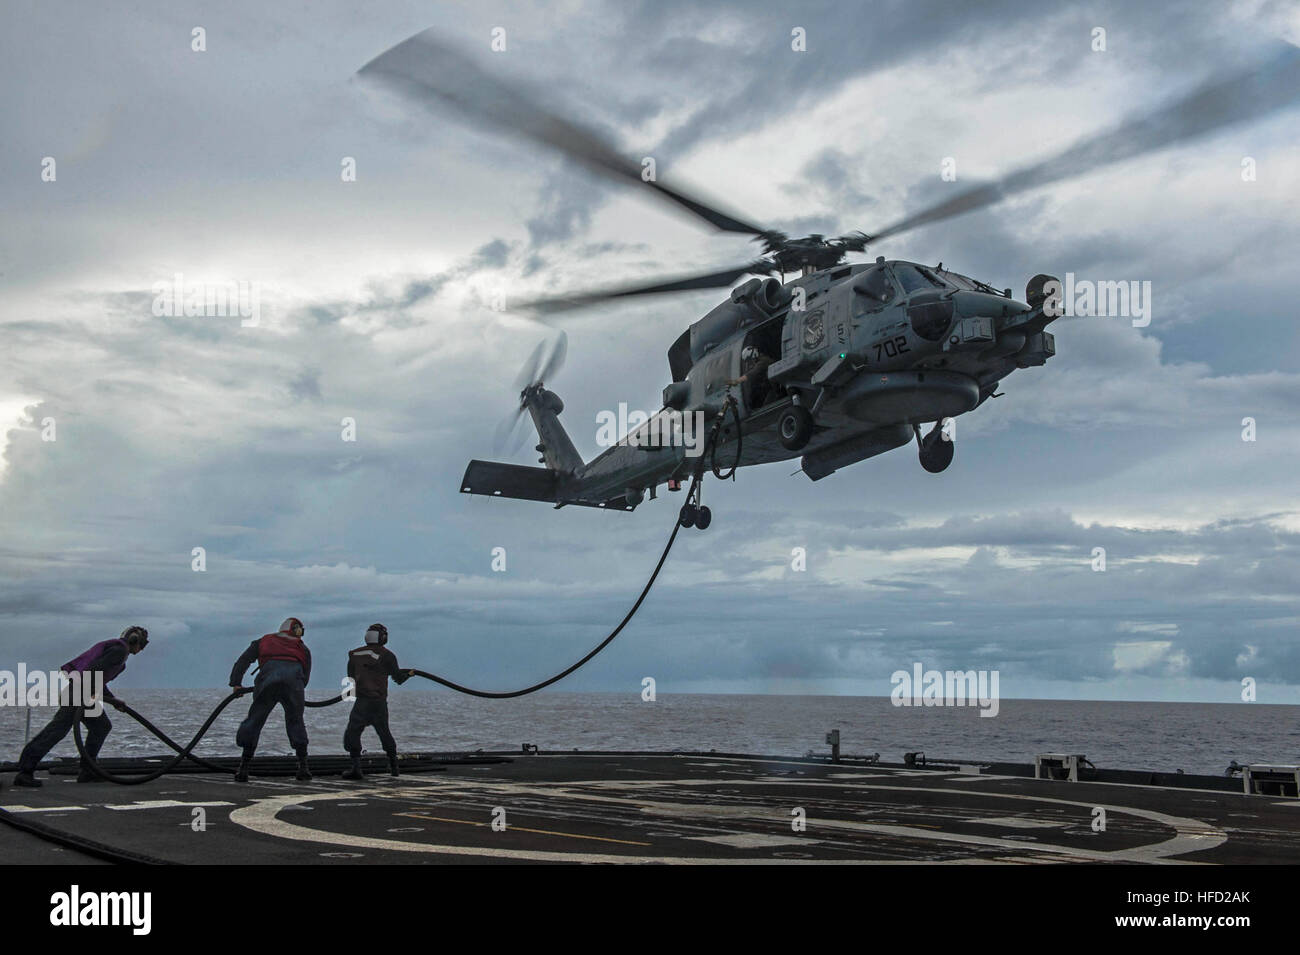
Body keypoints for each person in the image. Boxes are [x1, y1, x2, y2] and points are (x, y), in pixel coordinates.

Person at [12, 626, 150, 788]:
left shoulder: (120, 654)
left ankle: (88, 771)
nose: (141, 649)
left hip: (83, 695)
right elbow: (91, 673)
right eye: (143, 645)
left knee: (101, 726)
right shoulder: (118, 651)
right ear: (136, 641)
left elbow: (98, 679)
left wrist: (113, 700)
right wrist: (105, 698)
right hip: (77, 695)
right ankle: (25, 771)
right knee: (56, 731)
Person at [229, 617, 313, 782]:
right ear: (296, 630)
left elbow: (243, 661)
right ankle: (303, 768)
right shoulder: (302, 648)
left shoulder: (263, 641)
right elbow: (305, 674)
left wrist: (236, 683)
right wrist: (298, 690)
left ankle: (243, 768)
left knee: (255, 720)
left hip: (267, 685)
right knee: (296, 722)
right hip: (293, 685)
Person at [342, 623, 414, 780]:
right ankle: (394, 767)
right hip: (379, 702)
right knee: (384, 732)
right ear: (383, 638)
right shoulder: (387, 655)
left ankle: (356, 768)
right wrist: (409, 674)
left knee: (352, 733)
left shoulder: (354, 655)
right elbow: (398, 679)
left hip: (361, 702)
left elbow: (350, 681)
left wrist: (348, 696)